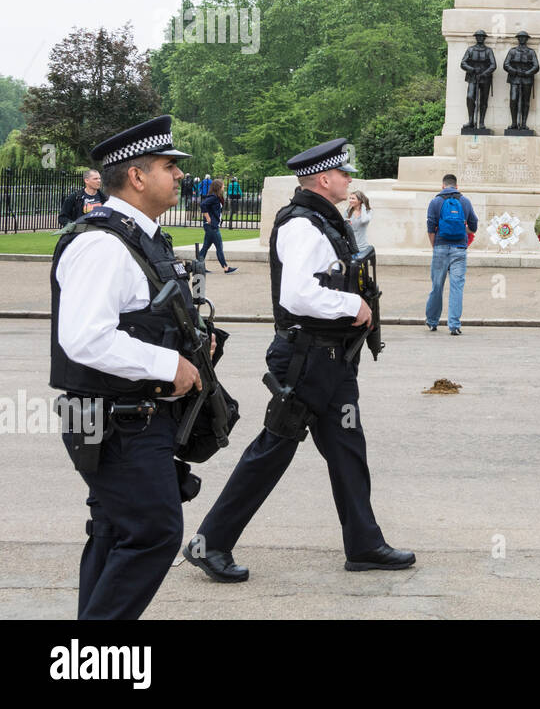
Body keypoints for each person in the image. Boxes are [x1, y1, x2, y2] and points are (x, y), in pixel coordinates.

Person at [186, 138, 414, 582]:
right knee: (274, 448)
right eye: (345, 173)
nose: (350, 179)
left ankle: (364, 543)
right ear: (325, 179)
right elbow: (298, 295)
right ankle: (209, 543)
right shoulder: (302, 226)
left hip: (332, 359)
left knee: (348, 449)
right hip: (308, 357)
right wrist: (354, 308)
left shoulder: (323, 221)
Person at [50, 116, 207, 618]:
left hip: (128, 415)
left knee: (116, 530)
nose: (180, 176)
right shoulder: (102, 244)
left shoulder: (142, 236)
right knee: (154, 534)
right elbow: (84, 338)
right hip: (115, 420)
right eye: (169, 166)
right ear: (137, 176)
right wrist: (168, 362)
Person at [426, 174, 478, 334]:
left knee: (437, 286)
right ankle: (454, 325)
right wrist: (463, 229)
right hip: (459, 249)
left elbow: (430, 226)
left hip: (440, 246)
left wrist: (435, 246)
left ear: (443, 185)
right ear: (457, 186)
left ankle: (432, 321)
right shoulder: (465, 201)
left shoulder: (435, 202)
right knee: (457, 287)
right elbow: (474, 226)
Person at [198, 178, 237, 274]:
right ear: (218, 187)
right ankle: (226, 268)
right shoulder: (213, 197)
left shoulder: (216, 197)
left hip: (211, 226)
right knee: (219, 246)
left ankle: (198, 267)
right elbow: (203, 205)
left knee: (205, 247)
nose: (224, 187)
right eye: (223, 185)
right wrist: (208, 218)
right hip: (212, 226)